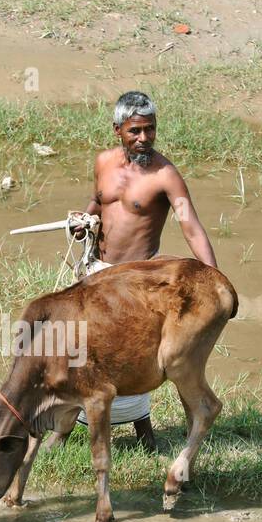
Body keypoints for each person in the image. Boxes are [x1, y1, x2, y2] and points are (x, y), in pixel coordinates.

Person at [75, 90, 219, 453]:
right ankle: (76, 428)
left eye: (150, 130)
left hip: (133, 282)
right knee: (80, 354)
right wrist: (83, 219)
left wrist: (215, 281)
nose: (144, 138)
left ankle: (143, 434)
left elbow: (191, 226)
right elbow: (96, 202)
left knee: (132, 357)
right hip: (94, 273)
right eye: (135, 131)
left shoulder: (165, 175)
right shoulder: (103, 163)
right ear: (117, 130)